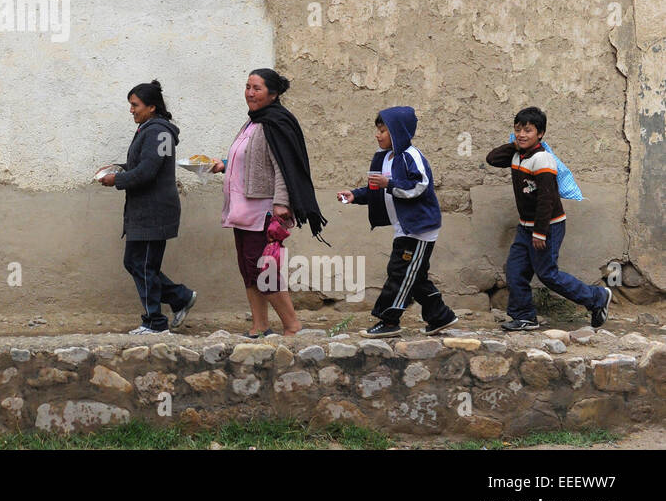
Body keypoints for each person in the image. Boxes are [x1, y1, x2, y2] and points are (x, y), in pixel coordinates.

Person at [211, 68, 328, 337]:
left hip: (263, 209)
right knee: (248, 269)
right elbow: (253, 161)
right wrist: (225, 165)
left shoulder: (275, 123)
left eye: (257, 88)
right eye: (248, 87)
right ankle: (259, 325)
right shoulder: (253, 122)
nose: (250, 93)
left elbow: (284, 168)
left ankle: (292, 325)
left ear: (273, 94)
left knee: (264, 269)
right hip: (242, 208)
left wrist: (282, 204)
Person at [486, 106, 612, 331]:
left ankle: (596, 297)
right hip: (526, 227)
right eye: (518, 130)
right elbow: (492, 159)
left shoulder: (543, 159)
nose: (522, 134)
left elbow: (547, 199)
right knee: (515, 271)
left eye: (528, 130)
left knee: (547, 274)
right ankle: (524, 316)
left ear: (541, 133)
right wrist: (514, 145)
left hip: (547, 226)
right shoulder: (518, 155)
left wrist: (540, 232)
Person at [337, 107, 457, 338]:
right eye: (378, 130)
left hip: (419, 229)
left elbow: (420, 185)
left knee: (399, 272)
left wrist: (389, 185)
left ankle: (389, 320)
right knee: (416, 276)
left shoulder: (410, 156)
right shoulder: (384, 158)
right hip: (403, 228)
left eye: (383, 130)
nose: (377, 135)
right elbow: (376, 189)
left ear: (398, 132)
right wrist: (355, 195)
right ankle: (440, 315)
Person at [98, 80, 197, 335]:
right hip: (143, 210)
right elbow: (143, 164)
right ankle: (180, 297)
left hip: (155, 211)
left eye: (135, 105)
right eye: (130, 105)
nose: (131, 110)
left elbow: (148, 171)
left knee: (144, 265)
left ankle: (155, 323)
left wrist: (116, 179)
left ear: (152, 106)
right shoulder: (148, 129)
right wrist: (118, 168)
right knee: (135, 262)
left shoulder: (159, 132)